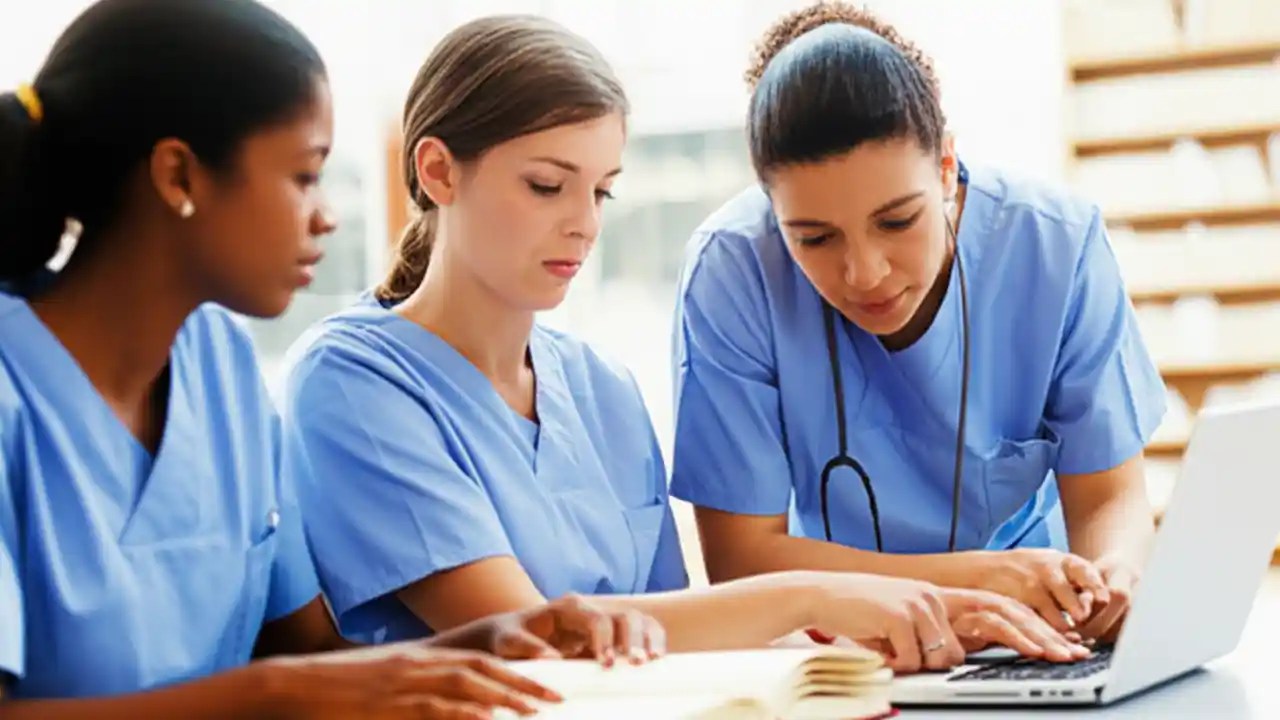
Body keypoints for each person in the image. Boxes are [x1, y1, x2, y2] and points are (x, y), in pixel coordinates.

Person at [283, 14, 1091, 677]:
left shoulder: (599, 387)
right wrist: (815, 595)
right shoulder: (353, 379)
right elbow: (530, 639)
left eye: (602, 190)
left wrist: (905, 639)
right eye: (546, 185)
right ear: (436, 171)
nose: (584, 223)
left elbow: (671, 644)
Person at [0, 1, 663, 717]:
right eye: (304, 176)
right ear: (179, 177)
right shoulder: (15, 391)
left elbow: (313, 656)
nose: (327, 216)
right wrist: (272, 694)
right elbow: (288, 684)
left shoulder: (222, 371)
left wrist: (494, 640)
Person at [669, 1, 1165, 643]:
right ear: (770, 209)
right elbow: (741, 559)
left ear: (946, 167)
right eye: (815, 238)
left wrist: (1115, 575)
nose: (865, 273)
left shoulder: (1054, 247)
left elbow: (1107, 493)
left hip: (1040, 632)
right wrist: (981, 581)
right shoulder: (732, 270)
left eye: (897, 221)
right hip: (847, 646)